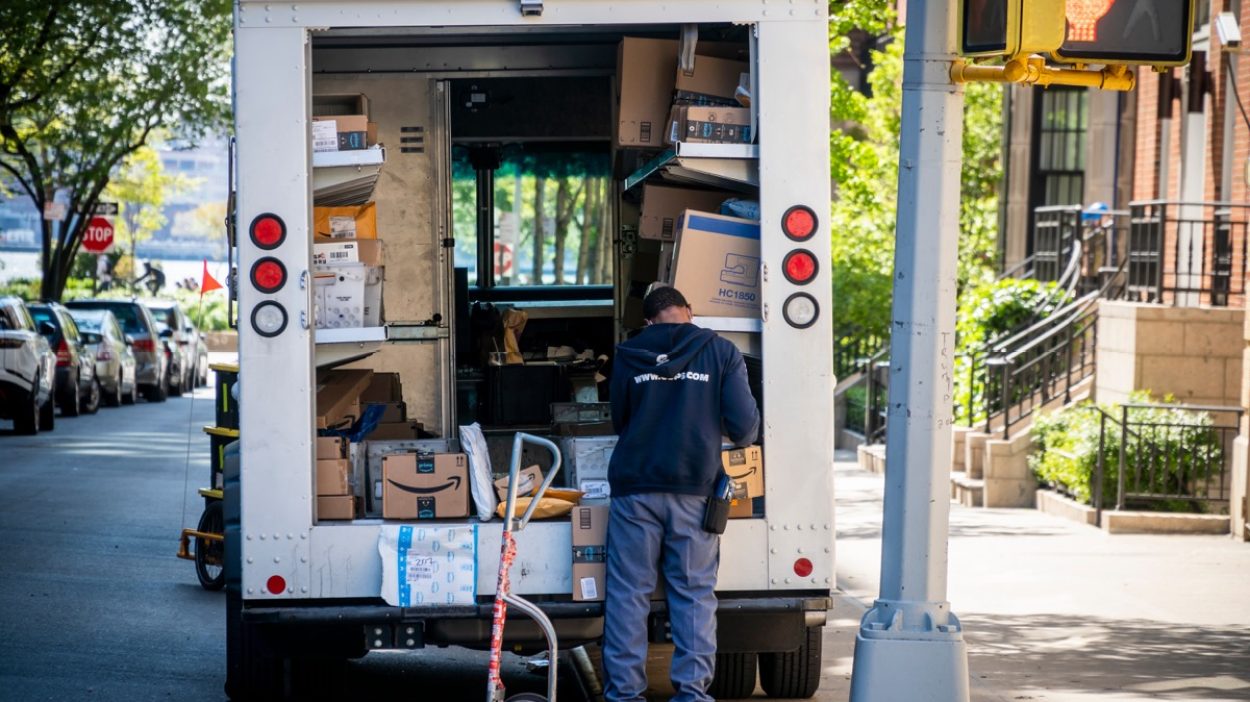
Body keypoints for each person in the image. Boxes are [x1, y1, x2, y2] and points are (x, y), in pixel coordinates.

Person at [602, 285, 760, 702]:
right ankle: (691, 692)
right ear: (688, 311)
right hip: (694, 486)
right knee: (692, 593)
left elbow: (621, 419)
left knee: (627, 594)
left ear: (649, 321)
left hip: (635, 487)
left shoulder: (627, 353)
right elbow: (745, 427)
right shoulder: (721, 351)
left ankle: (625, 693)